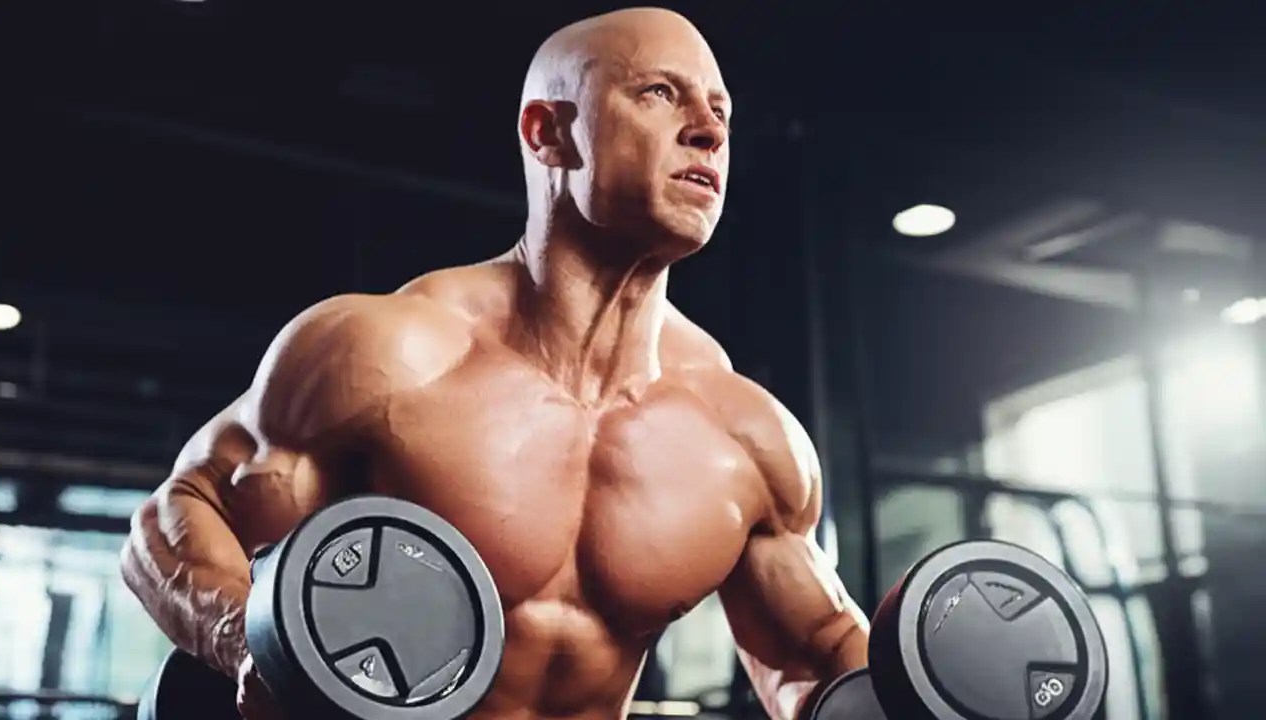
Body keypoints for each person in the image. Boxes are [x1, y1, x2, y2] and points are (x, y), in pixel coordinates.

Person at [120, 7, 870, 719]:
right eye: (658, 94)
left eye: (721, 111)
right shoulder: (387, 354)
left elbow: (818, 659)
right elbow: (176, 515)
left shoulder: (742, 435)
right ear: (548, 133)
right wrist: (245, 642)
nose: (708, 130)